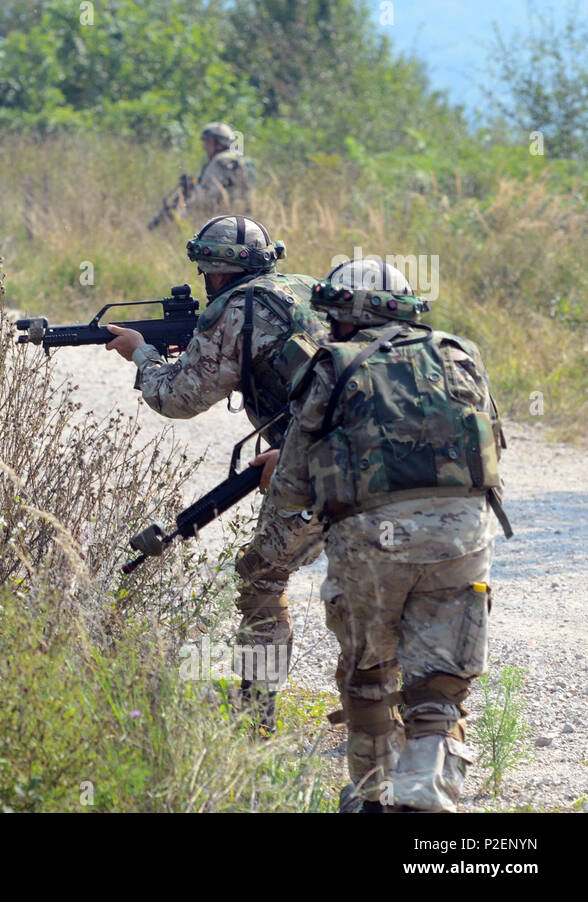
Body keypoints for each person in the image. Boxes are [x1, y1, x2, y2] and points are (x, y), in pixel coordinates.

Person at [267, 258, 511, 812]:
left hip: (371, 544)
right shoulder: (459, 351)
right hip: (463, 536)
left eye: (333, 317)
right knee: (439, 682)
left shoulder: (329, 364)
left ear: (348, 319)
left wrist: (274, 544)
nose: (329, 328)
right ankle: (425, 786)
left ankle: (373, 796)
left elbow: (291, 490)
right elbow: (490, 446)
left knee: (370, 674)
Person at [104, 215, 327, 734]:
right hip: (358, 451)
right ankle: (394, 711)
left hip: (310, 462)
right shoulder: (304, 289)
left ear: (214, 272)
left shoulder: (236, 310)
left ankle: (256, 724)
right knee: (372, 579)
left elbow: (175, 398)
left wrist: (142, 355)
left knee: (261, 579)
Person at [148, 122, 255, 229]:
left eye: (208, 142)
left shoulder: (219, 161)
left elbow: (207, 196)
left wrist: (190, 191)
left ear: (219, 143)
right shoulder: (239, 159)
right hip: (242, 219)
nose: (205, 147)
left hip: (221, 221)